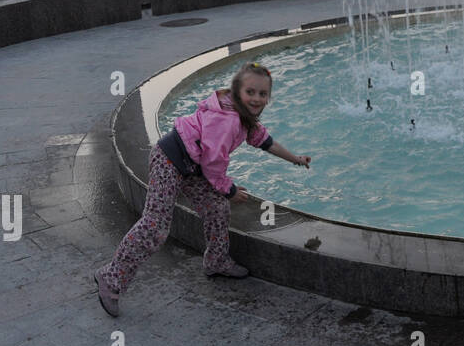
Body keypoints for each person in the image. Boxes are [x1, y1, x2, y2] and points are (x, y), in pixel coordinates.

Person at [94, 61, 312, 316]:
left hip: (192, 168)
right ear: (237, 90)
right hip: (169, 161)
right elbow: (213, 163)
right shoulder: (228, 120)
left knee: (217, 208)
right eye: (250, 92)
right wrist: (229, 190)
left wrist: (295, 158)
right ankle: (111, 277)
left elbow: (266, 142)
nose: (256, 98)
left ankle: (216, 260)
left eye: (262, 94)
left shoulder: (244, 117)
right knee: (155, 227)